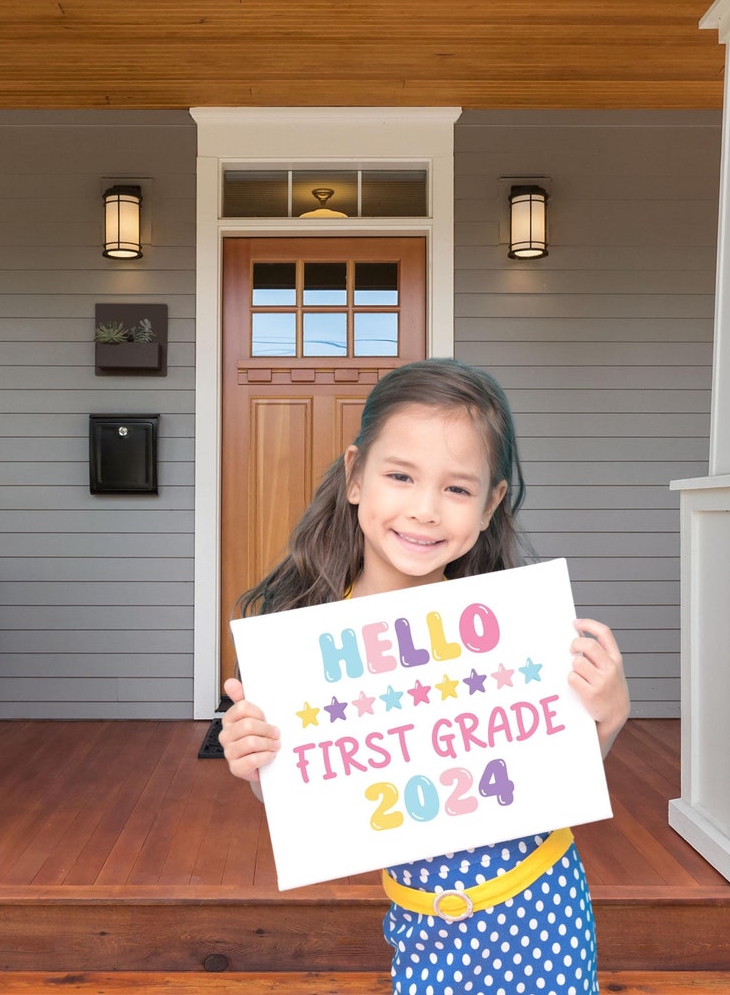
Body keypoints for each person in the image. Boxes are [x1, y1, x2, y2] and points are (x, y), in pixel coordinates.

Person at [220, 357, 630, 995]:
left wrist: (606, 716)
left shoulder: (513, 630)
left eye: (457, 489)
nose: (425, 509)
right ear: (356, 476)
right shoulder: (309, 647)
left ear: (491, 504)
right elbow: (299, 791)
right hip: (419, 921)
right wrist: (256, 763)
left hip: (541, 905)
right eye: (401, 476)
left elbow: (560, 770)